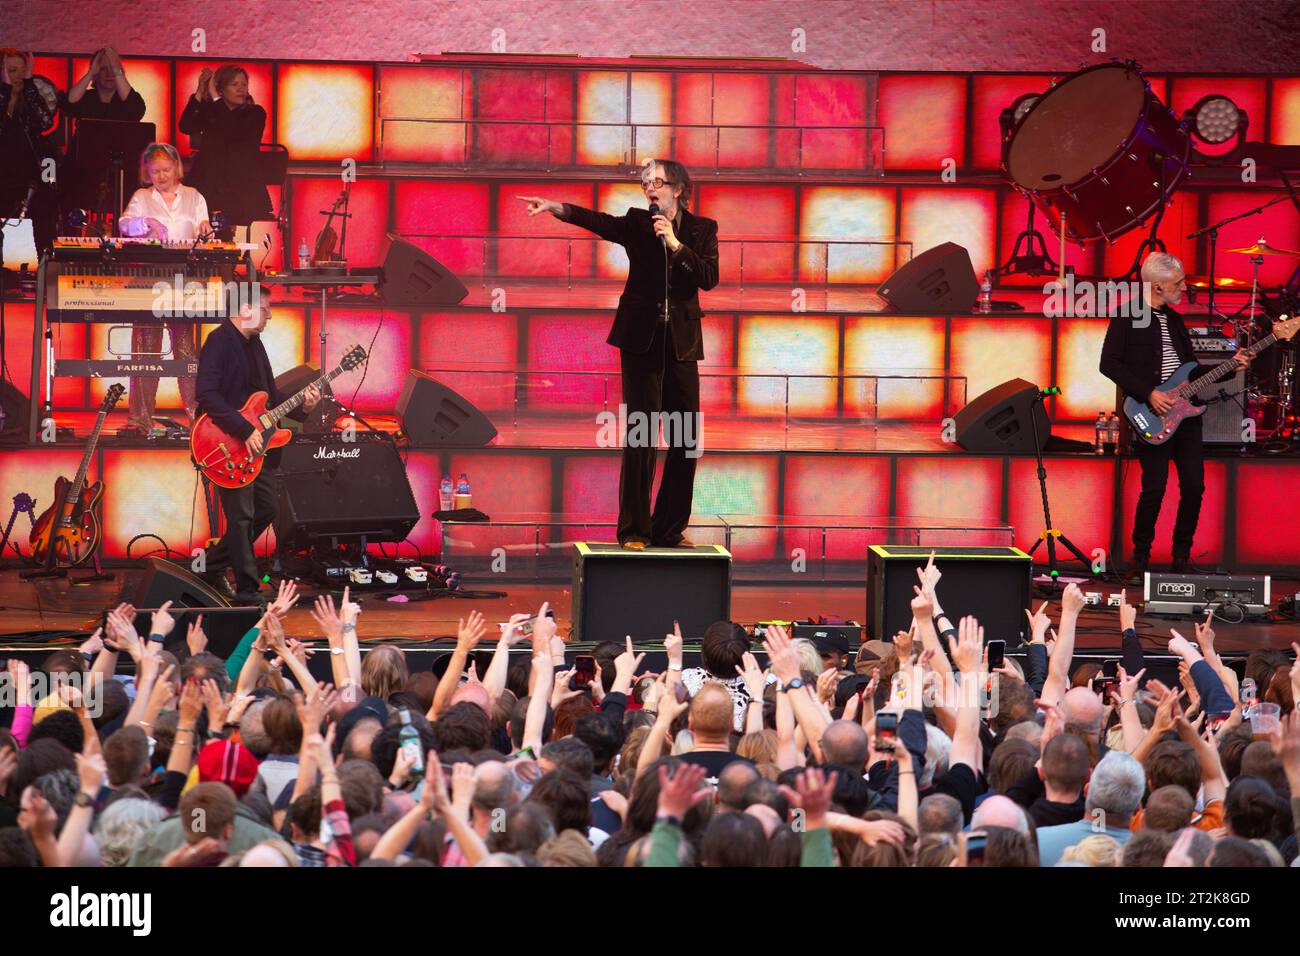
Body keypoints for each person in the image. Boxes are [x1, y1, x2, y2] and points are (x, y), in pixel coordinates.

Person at [518, 160, 719, 549]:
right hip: (640, 342)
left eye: (658, 181)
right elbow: (598, 222)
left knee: (685, 439)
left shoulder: (702, 230)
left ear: (678, 188)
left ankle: (669, 528)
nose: (650, 188)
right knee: (641, 438)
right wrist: (556, 207)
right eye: (646, 183)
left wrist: (676, 245)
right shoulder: (637, 223)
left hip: (681, 345)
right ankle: (635, 531)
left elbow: (708, 278)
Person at [1100, 252, 1251, 579]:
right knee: (1154, 488)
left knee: (1194, 487)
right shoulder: (1128, 317)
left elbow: (1192, 373)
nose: (1183, 288)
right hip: (1152, 414)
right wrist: (1148, 393)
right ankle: (1139, 560)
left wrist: (1231, 365)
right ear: (1156, 287)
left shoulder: (1176, 320)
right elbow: (1108, 364)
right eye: (1177, 283)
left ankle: (1181, 557)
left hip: (1186, 417)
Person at [196, 299, 320, 601]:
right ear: (246, 308)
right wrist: (244, 429)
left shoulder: (256, 344)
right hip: (223, 444)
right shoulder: (218, 341)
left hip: (256, 448)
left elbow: (271, 397)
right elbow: (207, 395)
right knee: (241, 517)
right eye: (265, 309)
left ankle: (208, 568)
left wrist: (303, 407)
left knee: (267, 509)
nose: (270, 315)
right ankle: (247, 590)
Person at [118, 142, 211, 433]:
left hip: (185, 276)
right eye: (154, 171)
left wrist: (207, 228)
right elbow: (124, 225)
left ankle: (198, 417)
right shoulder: (142, 197)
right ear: (147, 172)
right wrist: (146, 222)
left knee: (185, 349)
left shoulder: (194, 197)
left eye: (166, 170)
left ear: (177, 169)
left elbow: (203, 227)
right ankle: (140, 417)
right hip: (149, 277)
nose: (160, 175)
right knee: (145, 349)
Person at [178, 64, 272, 237]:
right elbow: (186, 125)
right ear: (221, 88)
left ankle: (226, 254)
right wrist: (200, 90)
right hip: (209, 183)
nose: (241, 89)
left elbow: (231, 130)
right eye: (234, 84)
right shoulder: (212, 111)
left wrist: (215, 99)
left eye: (244, 84)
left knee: (222, 214)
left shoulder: (255, 113)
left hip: (239, 187)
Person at [63, 45, 146, 213]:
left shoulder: (129, 101)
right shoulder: (86, 98)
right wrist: (90, 73)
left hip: (120, 175)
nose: (109, 74)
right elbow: (69, 104)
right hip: (83, 174)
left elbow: (136, 110)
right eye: (103, 69)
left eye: (113, 69)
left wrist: (117, 68)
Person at [0, 49, 57, 251]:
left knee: (35, 232)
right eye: (12, 71)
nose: (17, 77)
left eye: (22, 71)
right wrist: (5, 89)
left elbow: (45, 122)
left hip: (27, 181)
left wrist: (30, 82)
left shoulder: (29, 98)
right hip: (3, 180)